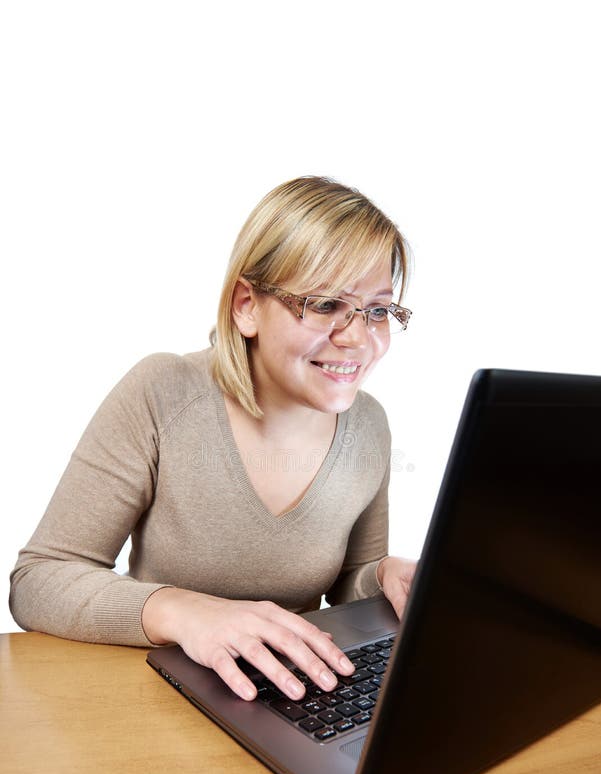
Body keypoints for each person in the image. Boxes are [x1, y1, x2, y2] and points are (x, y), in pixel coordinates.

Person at [9, 175, 416, 703]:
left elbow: (348, 587)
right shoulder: (162, 393)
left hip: (292, 698)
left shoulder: (369, 426)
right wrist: (181, 610)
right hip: (157, 694)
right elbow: (39, 580)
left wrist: (383, 575)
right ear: (246, 304)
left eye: (378, 310)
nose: (359, 338)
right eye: (323, 304)